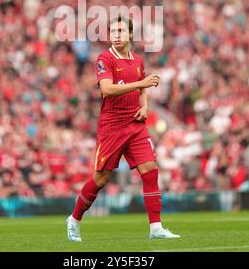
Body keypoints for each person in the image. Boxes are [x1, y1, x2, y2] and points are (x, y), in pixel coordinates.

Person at [66, 14, 180, 241]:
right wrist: (141, 84)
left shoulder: (137, 60)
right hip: (112, 127)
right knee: (101, 179)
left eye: (120, 32)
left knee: (150, 170)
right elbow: (107, 90)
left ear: (129, 34)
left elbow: (143, 89)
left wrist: (145, 107)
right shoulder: (104, 58)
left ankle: (156, 227)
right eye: (113, 32)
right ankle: (75, 219)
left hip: (135, 125)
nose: (116, 36)